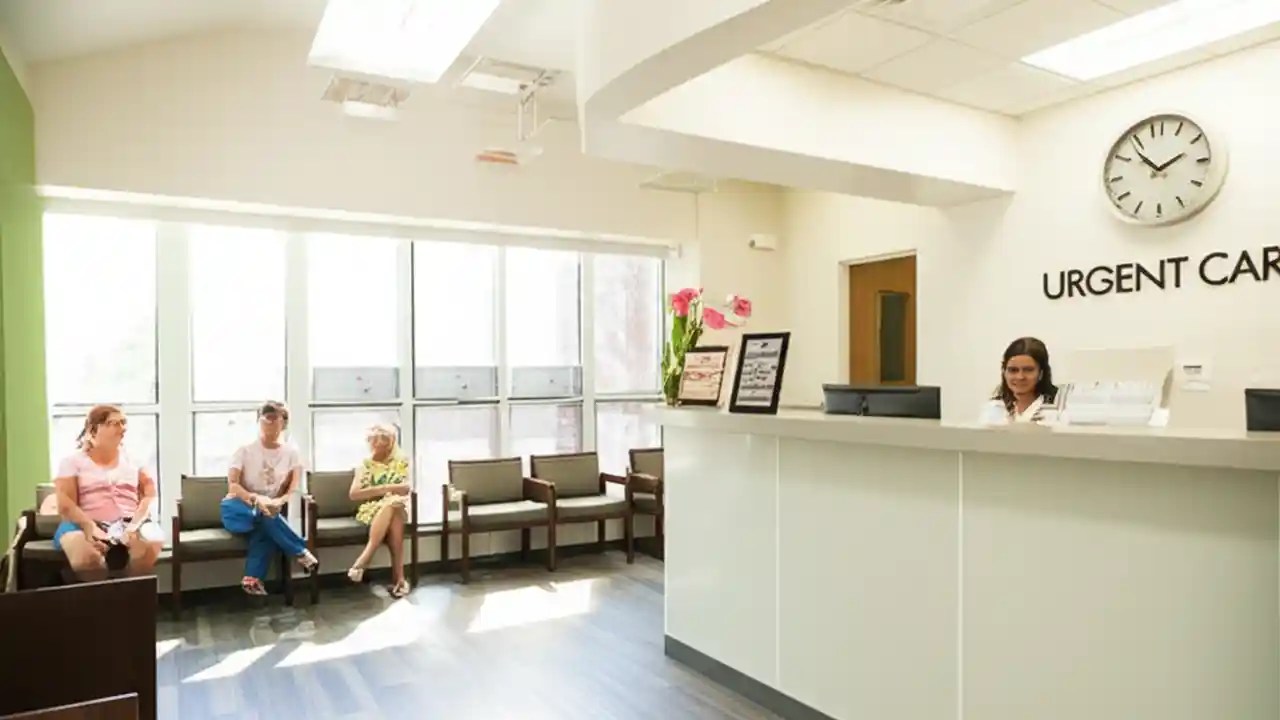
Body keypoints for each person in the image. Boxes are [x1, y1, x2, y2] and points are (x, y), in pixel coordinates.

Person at [52, 405, 164, 580]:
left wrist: (134, 525)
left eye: (123, 422)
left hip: (129, 521)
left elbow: (149, 495)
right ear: (93, 429)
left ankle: (128, 596)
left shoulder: (135, 460)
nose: (122, 428)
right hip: (82, 523)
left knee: (153, 542)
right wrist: (90, 527)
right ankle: (101, 602)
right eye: (114, 423)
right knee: (87, 560)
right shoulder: (71, 462)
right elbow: (65, 504)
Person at [221, 400, 318, 596]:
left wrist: (277, 502)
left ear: (284, 423)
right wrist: (257, 499)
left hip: (268, 512)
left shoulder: (292, 453)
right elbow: (233, 485)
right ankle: (300, 551)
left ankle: (252, 579)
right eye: (266, 417)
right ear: (259, 420)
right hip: (237, 508)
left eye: (276, 418)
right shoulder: (244, 450)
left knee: (265, 525)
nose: (270, 422)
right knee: (265, 515)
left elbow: (293, 487)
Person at [347, 423, 412, 599]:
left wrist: (384, 491)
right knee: (393, 509)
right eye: (375, 443)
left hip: (397, 506)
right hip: (371, 509)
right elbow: (354, 494)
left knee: (394, 507)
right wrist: (387, 489)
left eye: (384, 444)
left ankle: (363, 561)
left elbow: (405, 488)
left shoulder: (400, 462)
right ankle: (399, 578)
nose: (378, 447)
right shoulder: (365, 465)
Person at [981, 336, 1059, 425]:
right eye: (1013, 370)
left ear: (1041, 373)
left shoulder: (1057, 412)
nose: (1020, 377)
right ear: (1004, 372)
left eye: (1028, 370)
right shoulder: (994, 409)